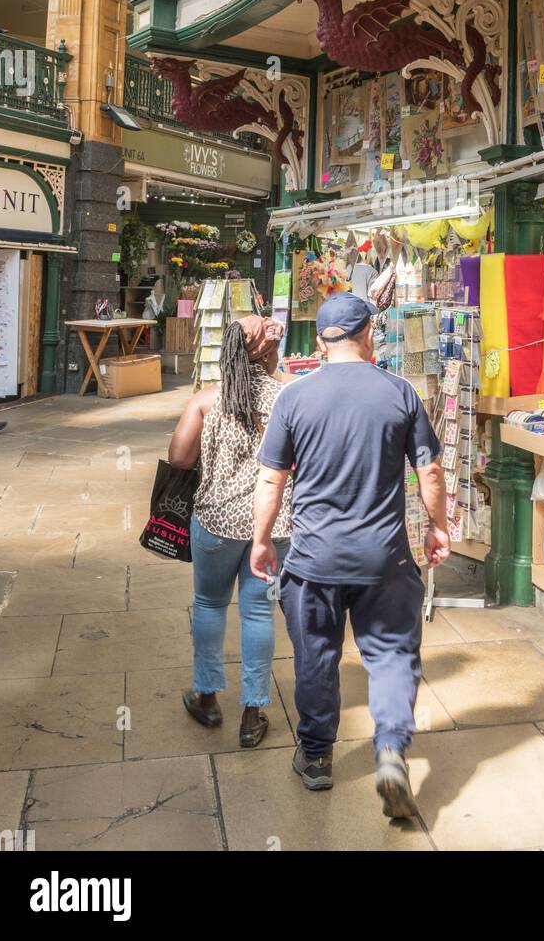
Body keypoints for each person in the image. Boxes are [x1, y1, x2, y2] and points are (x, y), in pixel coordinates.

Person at [250, 293, 449, 818]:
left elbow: (271, 478)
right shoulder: (399, 392)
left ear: (319, 341)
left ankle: (316, 757)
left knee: (316, 655)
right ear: (368, 335)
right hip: (384, 558)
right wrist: (438, 526)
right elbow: (429, 472)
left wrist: (262, 538)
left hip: (314, 559)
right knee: (390, 655)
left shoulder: (293, 398)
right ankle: (389, 750)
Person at [168, 314, 289, 748]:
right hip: (273, 527)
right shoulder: (289, 398)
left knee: (208, 603)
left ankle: (206, 697)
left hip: (215, 523)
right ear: (270, 352)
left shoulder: (208, 399)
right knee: (258, 613)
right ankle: (252, 713)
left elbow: (179, 457)